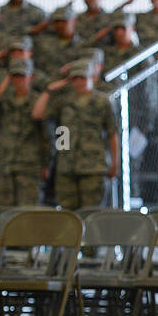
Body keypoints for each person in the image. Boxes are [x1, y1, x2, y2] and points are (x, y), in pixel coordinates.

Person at [32, 61, 119, 209]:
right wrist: (49, 90)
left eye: (83, 78)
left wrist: (115, 164)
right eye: (75, 78)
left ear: (92, 78)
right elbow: (37, 114)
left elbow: (112, 134)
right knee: (69, 215)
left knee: (92, 214)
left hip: (93, 167)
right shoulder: (63, 102)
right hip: (67, 167)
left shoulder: (102, 102)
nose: (79, 82)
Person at [0, 58, 50, 206]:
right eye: (15, 76)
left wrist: (48, 163)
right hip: (4, 164)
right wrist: (2, 86)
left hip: (29, 165)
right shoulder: (3, 101)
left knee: (28, 213)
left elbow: (49, 135)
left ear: (31, 77)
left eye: (22, 76)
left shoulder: (39, 101)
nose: (18, 80)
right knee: (2, 211)